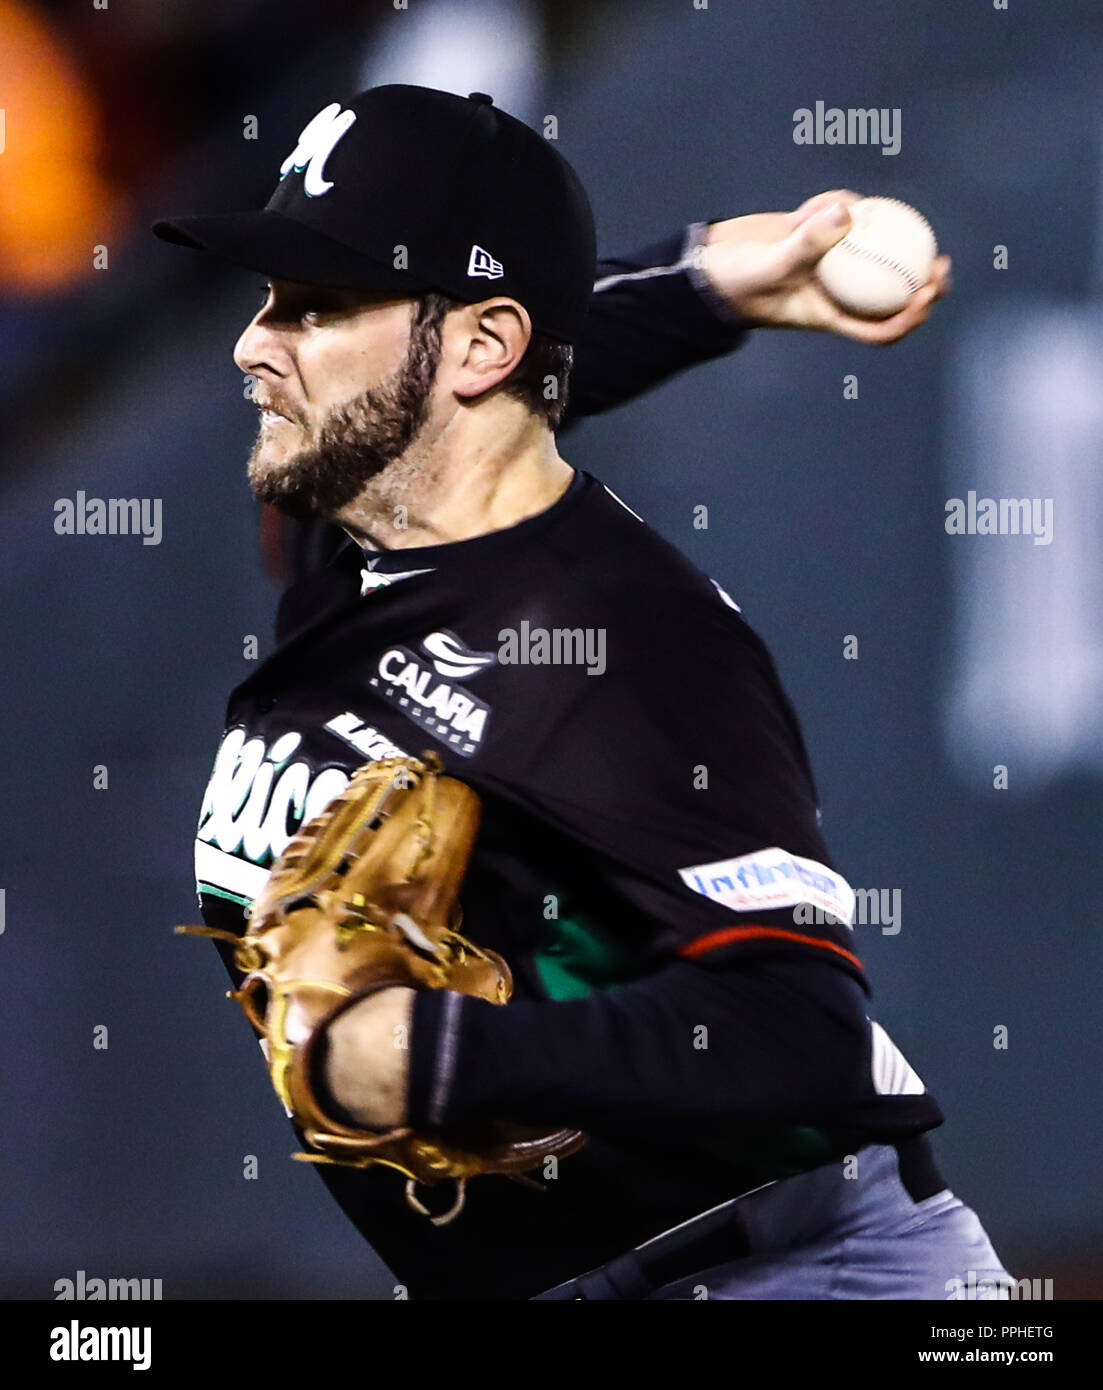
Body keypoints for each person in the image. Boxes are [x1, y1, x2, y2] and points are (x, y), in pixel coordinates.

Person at [154, 83, 1011, 1300]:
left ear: (484, 345)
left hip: (780, 1273)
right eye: (267, 296)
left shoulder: (619, 647)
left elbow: (798, 1034)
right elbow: (488, 372)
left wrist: (432, 1055)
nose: (254, 344)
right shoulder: (346, 514)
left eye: (316, 304)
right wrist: (698, 282)